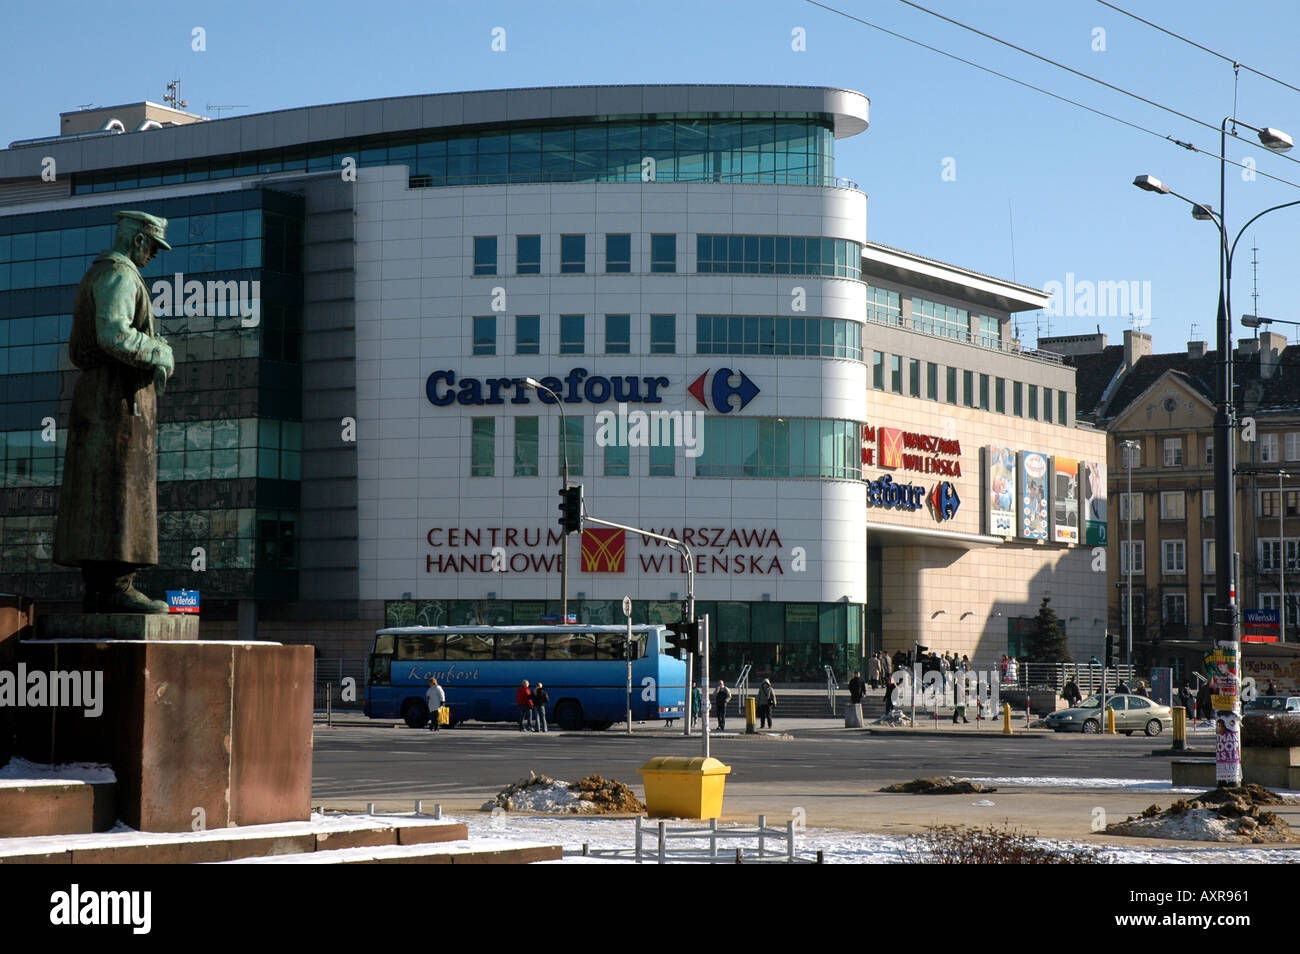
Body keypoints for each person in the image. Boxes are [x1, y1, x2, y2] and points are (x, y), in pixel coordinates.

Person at [54, 210, 176, 612]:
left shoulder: (100, 273)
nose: (154, 257)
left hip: (104, 397)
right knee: (119, 490)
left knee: (102, 491)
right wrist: (159, 350)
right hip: (116, 402)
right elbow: (114, 333)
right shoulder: (120, 275)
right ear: (138, 240)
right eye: (153, 248)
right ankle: (116, 586)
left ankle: (101, 587)